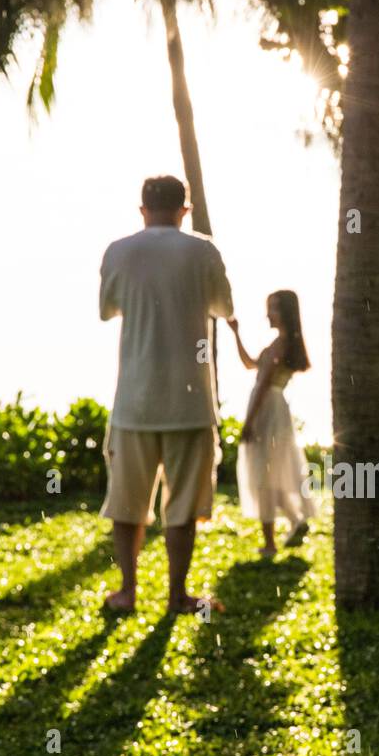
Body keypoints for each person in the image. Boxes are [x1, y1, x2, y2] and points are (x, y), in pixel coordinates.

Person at [99, 175, 233, 613]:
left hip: (134, 399)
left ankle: (127, 591)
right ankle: (178, 596)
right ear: (185, 209)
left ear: (142, 210)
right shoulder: (203, 250)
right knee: (183, 508)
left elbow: (107, 309)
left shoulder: (119, 251)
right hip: (190, 401)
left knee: (127, 503)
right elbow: (223, 308)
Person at [228, 290, 316, 558]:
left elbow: (263, 382)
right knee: (274, 472)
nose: (268, 314)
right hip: (277, 410)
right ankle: (296, 521)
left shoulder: (281, 344)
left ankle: (270, 543)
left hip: (267, 410)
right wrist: (236, 333)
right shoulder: (283, 343)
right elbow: (251, 365)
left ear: (284, 312)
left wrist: (249, 421)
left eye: (273, 308)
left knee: (263, 473)